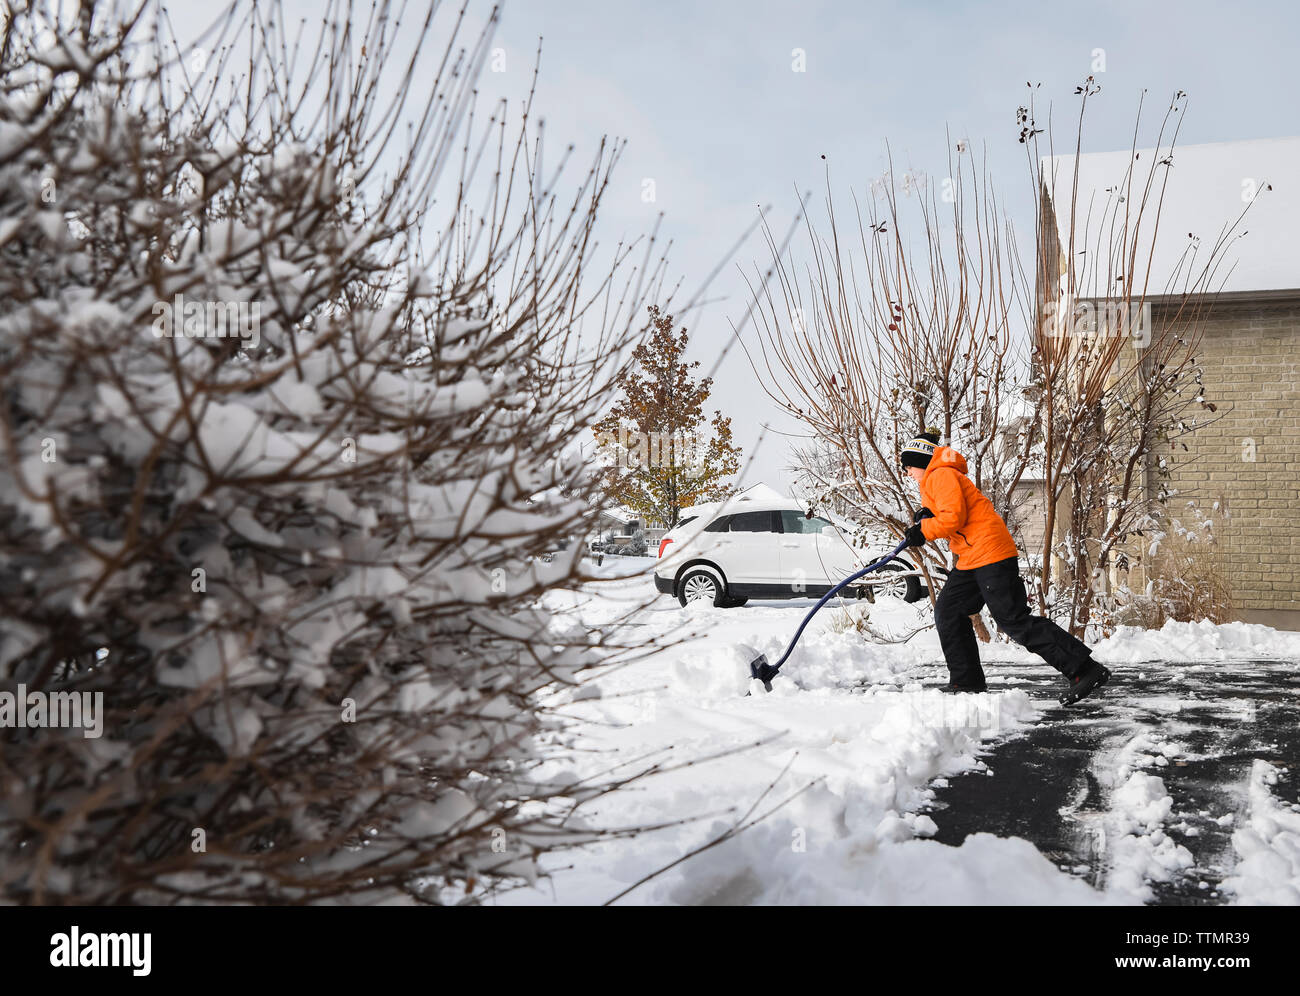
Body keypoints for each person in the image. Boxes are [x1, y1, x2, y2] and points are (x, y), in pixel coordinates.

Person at [899, 430, 1111, 705]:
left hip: (990, 554)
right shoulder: (937, 477)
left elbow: (953, 517)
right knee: (949, 611)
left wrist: (924, 530)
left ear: (921, 460)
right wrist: (929, 516)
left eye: (909, 466)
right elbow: (952, 511)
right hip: (972, 558)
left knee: (1014, 620)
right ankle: (967, 682)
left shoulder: (940, 474)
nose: (907, 472)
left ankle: (1085, 670)